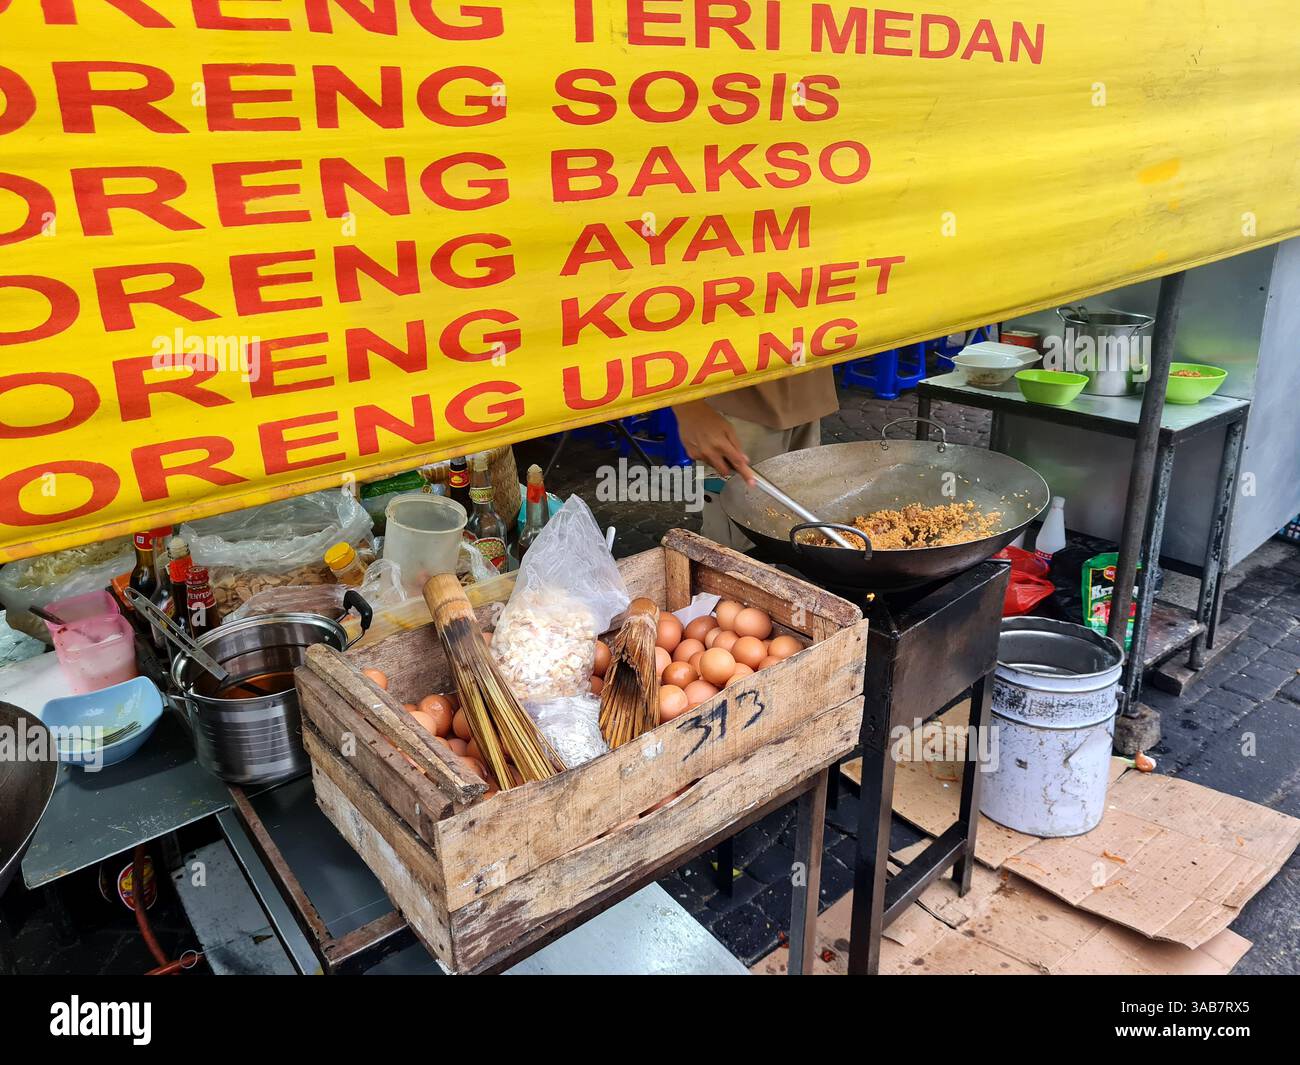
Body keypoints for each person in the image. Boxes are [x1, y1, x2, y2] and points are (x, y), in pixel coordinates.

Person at [675, 368, 839, 550]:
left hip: (808, 387)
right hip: (738, 397)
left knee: (798, 522)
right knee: (739, 552)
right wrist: (688, 406)